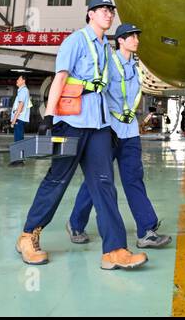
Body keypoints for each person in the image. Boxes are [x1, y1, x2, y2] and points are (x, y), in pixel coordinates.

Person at [14, 0, 146, 271]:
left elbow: (106, 89)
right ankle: (28, 236)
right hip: (72, 122)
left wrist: (113, 124)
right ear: (90, 15)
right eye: (103, 10)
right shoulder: (75, 41)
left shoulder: (107, 49)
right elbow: (61, 78)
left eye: (111, 11)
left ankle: (114, 250)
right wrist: (48, 117)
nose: (109, 15)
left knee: (104, 183)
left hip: (98, 126)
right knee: (57, 179)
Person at [67, 24, 172, 249]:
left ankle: (146, 231)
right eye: (131, 36)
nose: (136, 40)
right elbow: (97, 94)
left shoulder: (136, 68)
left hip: (130, 132)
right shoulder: (108, 64)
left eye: (137, 36)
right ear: (120, 41)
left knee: (134, 179)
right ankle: (76, 223)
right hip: (108, 131)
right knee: (98, 180)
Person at [8, 74, 31, 167]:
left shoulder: (23, 90)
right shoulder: (22, 91)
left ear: (23, 81)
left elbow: (20, 106)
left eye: (19, 79)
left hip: (19, 118)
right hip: (20, 118)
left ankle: (19, 161)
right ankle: (17, 159)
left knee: (18, 140)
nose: (17, 80)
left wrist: (14, 120)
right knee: (18, 139)